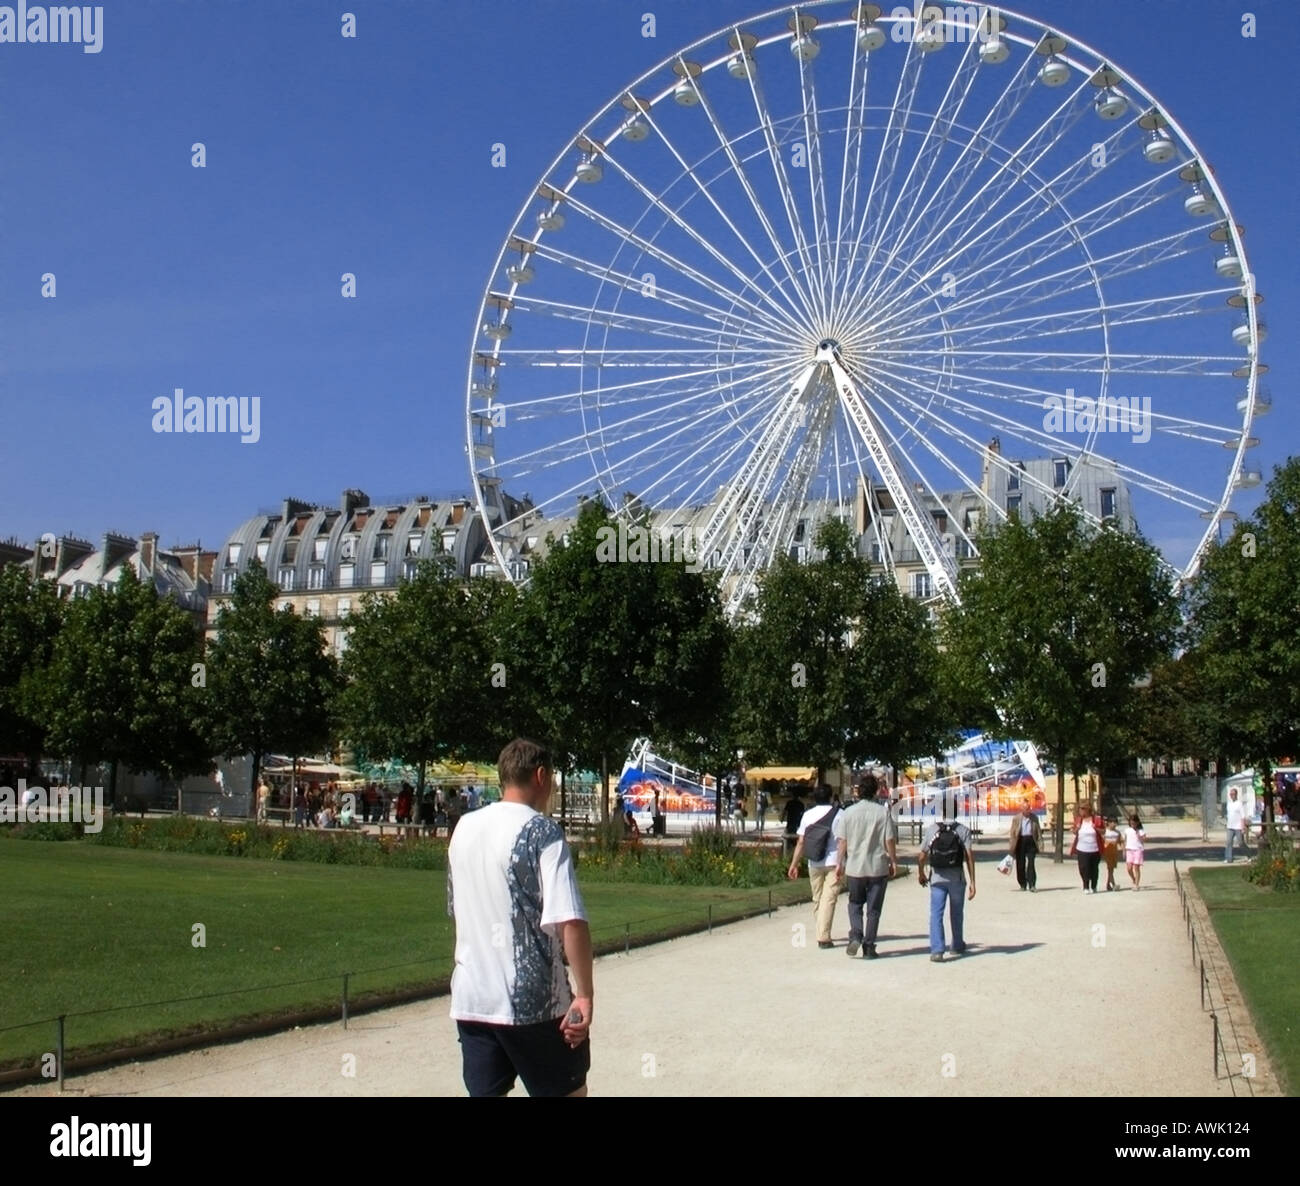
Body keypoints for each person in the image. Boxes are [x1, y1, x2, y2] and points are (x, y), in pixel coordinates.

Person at [448, 738, 592, 1097]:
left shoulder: (463, 827)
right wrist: (585, 995)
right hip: (534, 1001)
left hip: (473, 996)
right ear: (541, 776)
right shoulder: (542, 831)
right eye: (554, 778)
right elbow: (569, 920)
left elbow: (458, 908)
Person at [834, 773, 897, 960]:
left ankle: (856, 934)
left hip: (855, 867)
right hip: (877, 866)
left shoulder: (848, 813)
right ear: (876, 791)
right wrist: (893, 860)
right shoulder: (882, 812)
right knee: (874, 910)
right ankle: (869, 946)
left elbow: (842, 842)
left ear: (859, 791)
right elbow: (889, 840)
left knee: (854, 904)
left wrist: (839, 863)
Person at [916, 797, 976, 962]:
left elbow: (921, 856)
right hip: (956, 876)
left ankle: (937, 949)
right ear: (957, 811)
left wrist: (921, 873)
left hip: (937, 877)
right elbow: (969, 857)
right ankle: (956, 945)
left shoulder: (932, 830)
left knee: (936, 913)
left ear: (942, 812)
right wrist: (973, 882)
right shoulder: (963, 830)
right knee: (956, 912)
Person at [786, 785, 842, 949]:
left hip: (814, 861)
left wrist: (794, 864)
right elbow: (842, 841)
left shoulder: (807, 815)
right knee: (829, 899)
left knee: (818, 899)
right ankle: (823, 936)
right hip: (833, 861)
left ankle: (821, 931)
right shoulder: (840, 814)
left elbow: (801, 842)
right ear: (831, 797)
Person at [1008, 799, 1041, 892]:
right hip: (1020, 841)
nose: (1028, 810)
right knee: (1020, 864)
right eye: (1026, 808)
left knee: (1031, 863)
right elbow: (1012, 833)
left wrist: (1040, 843)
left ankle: (1032, 885)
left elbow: (1038, 831)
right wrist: (1011, 846)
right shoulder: (1016, 818)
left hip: (1031, 841)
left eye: (1029, 808)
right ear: (1021, 809)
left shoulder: (1034, 818)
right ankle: (1022, 884)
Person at [1071, 800, 1104, 893]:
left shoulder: (1096, 819)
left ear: (1088, 809)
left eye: (1082, 809)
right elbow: (1074, 832)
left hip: (1094, 849)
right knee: (1083, 868)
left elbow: (1103, 831)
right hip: (1081, 848)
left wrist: (1096, 828)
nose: (1080, 811)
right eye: (1079, 809)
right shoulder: (1078, 820)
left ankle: (1094, 886)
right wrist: (1077, 828)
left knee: (1094, 868)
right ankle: (1086, 886)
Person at [1123, 814, 1146, 889]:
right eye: (1131, 823)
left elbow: (1144, 840)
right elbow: (1125, 841)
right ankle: (1134, 879)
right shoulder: (1127, 830)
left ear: (1138, 822)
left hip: (1138, 850)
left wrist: (1139, 836)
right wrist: (1124, 850)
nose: (1133, 824)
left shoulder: (1141, 831)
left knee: (1136, 867)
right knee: (1129, 868)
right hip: (1129, 850)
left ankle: (1136, 885)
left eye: (1134, 823)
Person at [1224, 787, 1247, 863]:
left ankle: (1248, 854)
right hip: (1230, 826)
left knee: (1240, 843)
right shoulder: (1229, 804)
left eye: (1233, 794)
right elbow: (1229, 815)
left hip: (1238, 827)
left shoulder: (1239, 804)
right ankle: (1228, 858)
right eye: (1231, 794)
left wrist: (1243, 827)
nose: (1232, 795)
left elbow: (1243, 816)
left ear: (1236, 795)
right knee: (1228, 842)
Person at [1102, 817, 1121, 891]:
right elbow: (1102, 839)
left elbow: (1121, 841)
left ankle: (1108, 885)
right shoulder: (1105, 831)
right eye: (1112, 822)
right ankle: (1113, 884)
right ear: (1108, 823)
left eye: (1115, 822)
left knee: (1111, 869)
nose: (1114, 824)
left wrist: (1123, 849)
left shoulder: (1117, 832)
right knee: (1110, 868)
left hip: (1114, 852)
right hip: (1107, 852)